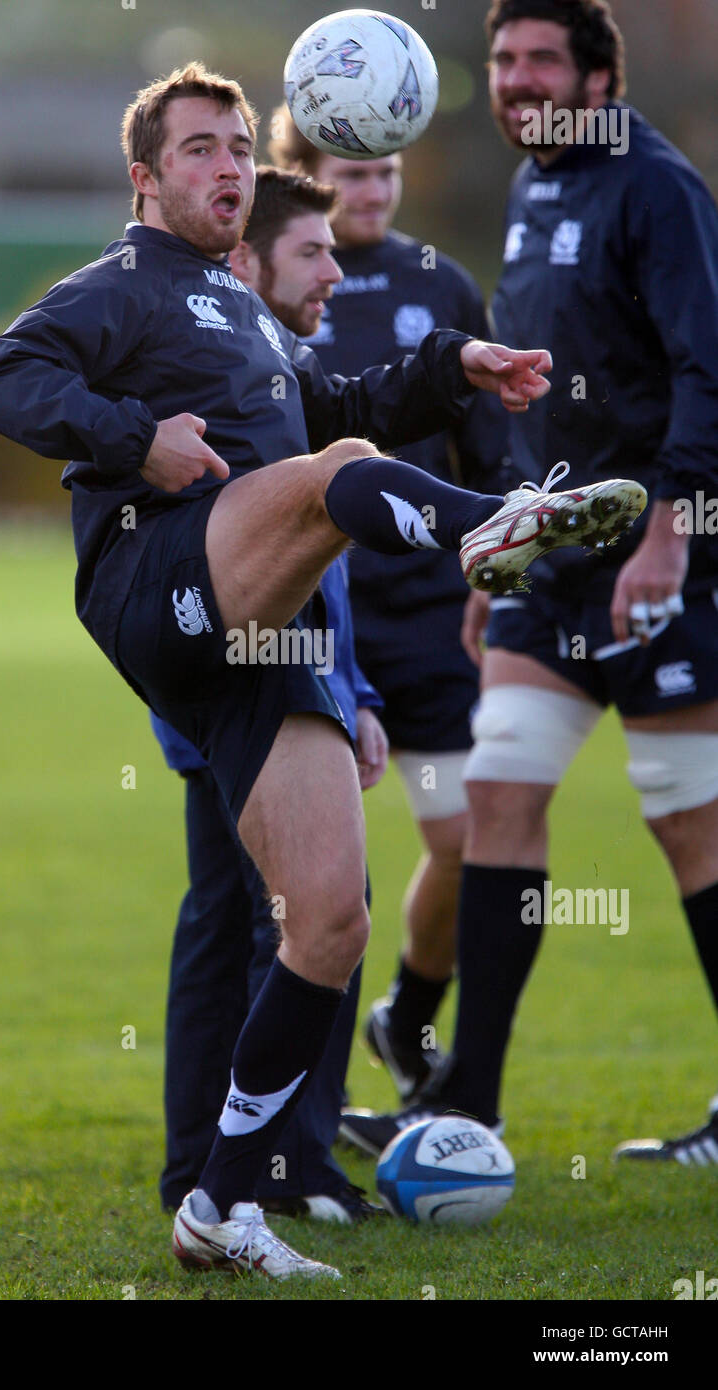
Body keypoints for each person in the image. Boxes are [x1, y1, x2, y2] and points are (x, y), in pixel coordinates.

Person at [0, 61, 642, 1279]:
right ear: (145, 178)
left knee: (328, 921)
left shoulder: (238, 309)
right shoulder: (124, 281)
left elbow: (325, 403)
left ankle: (221, 1203)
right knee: (339, 468)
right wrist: (136, 439)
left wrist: (451, 370)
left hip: (261, 640)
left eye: (237, 145)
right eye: (198, 150)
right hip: (155, 577)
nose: (228, 166)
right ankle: (497, 525)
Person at [339, 0, 718, 1166]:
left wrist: (672, 528)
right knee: (497, 796)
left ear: (599, 76)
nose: (514, 79)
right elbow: (533, 394)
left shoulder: (656, 189)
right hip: (545, 563)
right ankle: (468, 1102)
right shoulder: (535, 183)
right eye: (502, 61)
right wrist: (498, 543)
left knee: (687, 822)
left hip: (659, 559)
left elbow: (711, 368)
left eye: (539, 59)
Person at [155, 167, 389, 1222]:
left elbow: (316, 565)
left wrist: (358, 689)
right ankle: (279, 1173)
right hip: (234, 694)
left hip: (291, 685)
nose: (336, 269)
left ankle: (209, 1168)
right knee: (300, 917)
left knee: (239, 914)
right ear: (245, 259)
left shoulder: (278, 370)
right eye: (313, 251)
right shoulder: (221, 372)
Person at [269, 111, 511, 1105]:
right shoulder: (276, 287)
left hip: (429, 614)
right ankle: (297, 1119)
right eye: (353, 174)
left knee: (463, 840)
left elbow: (489, 447)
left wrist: (500, 563)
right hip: (320, 615)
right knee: (329, 883)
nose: (374, 191)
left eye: (387, 172)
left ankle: (407, 1013)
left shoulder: (440, 281)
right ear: (307, 175)